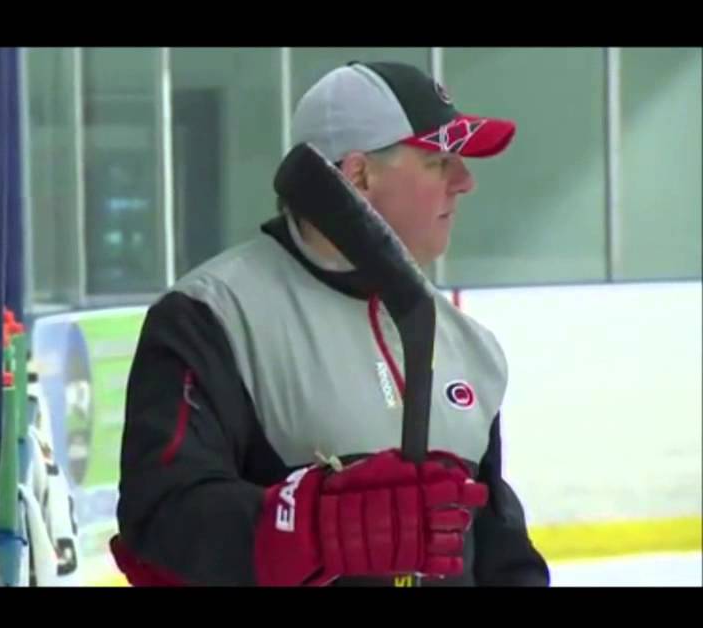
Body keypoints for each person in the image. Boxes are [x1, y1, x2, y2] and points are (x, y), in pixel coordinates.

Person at [108, 60, 550, 587]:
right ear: (359, 175)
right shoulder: (214, 317)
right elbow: (159, 520)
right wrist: (311, 530)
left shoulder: (467, 346)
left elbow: (496, 549)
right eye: (439, 160)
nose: (465, 181)